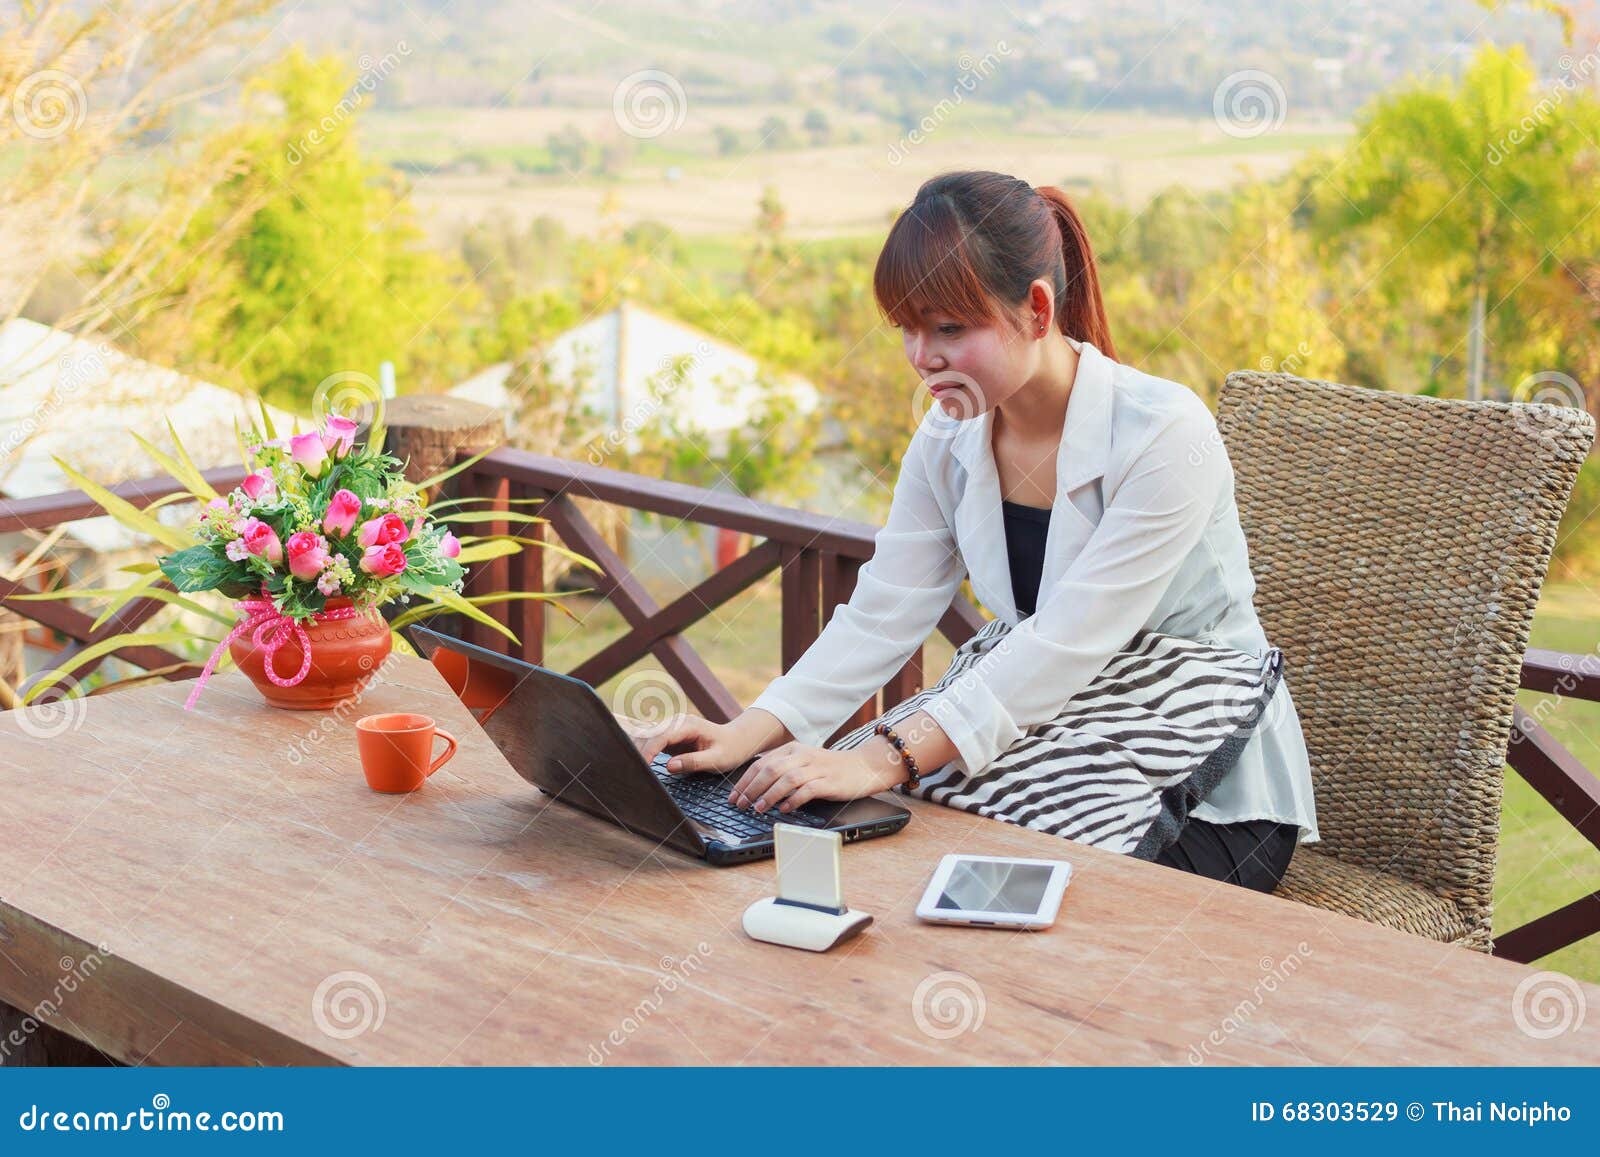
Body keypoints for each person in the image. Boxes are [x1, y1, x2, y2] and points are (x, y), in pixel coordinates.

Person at [636, 170, 1318, 892]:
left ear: (1036, 308)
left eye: (949, 328)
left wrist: (881, 754)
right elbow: (881, 613)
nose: (922, 356)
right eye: (908, 327)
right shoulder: (948, 435)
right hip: (1050, 728)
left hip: (1206, 790)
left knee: (981, 878)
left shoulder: (1165, 436)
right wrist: (746, 731)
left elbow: (1065, 642)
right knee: (857, 835)